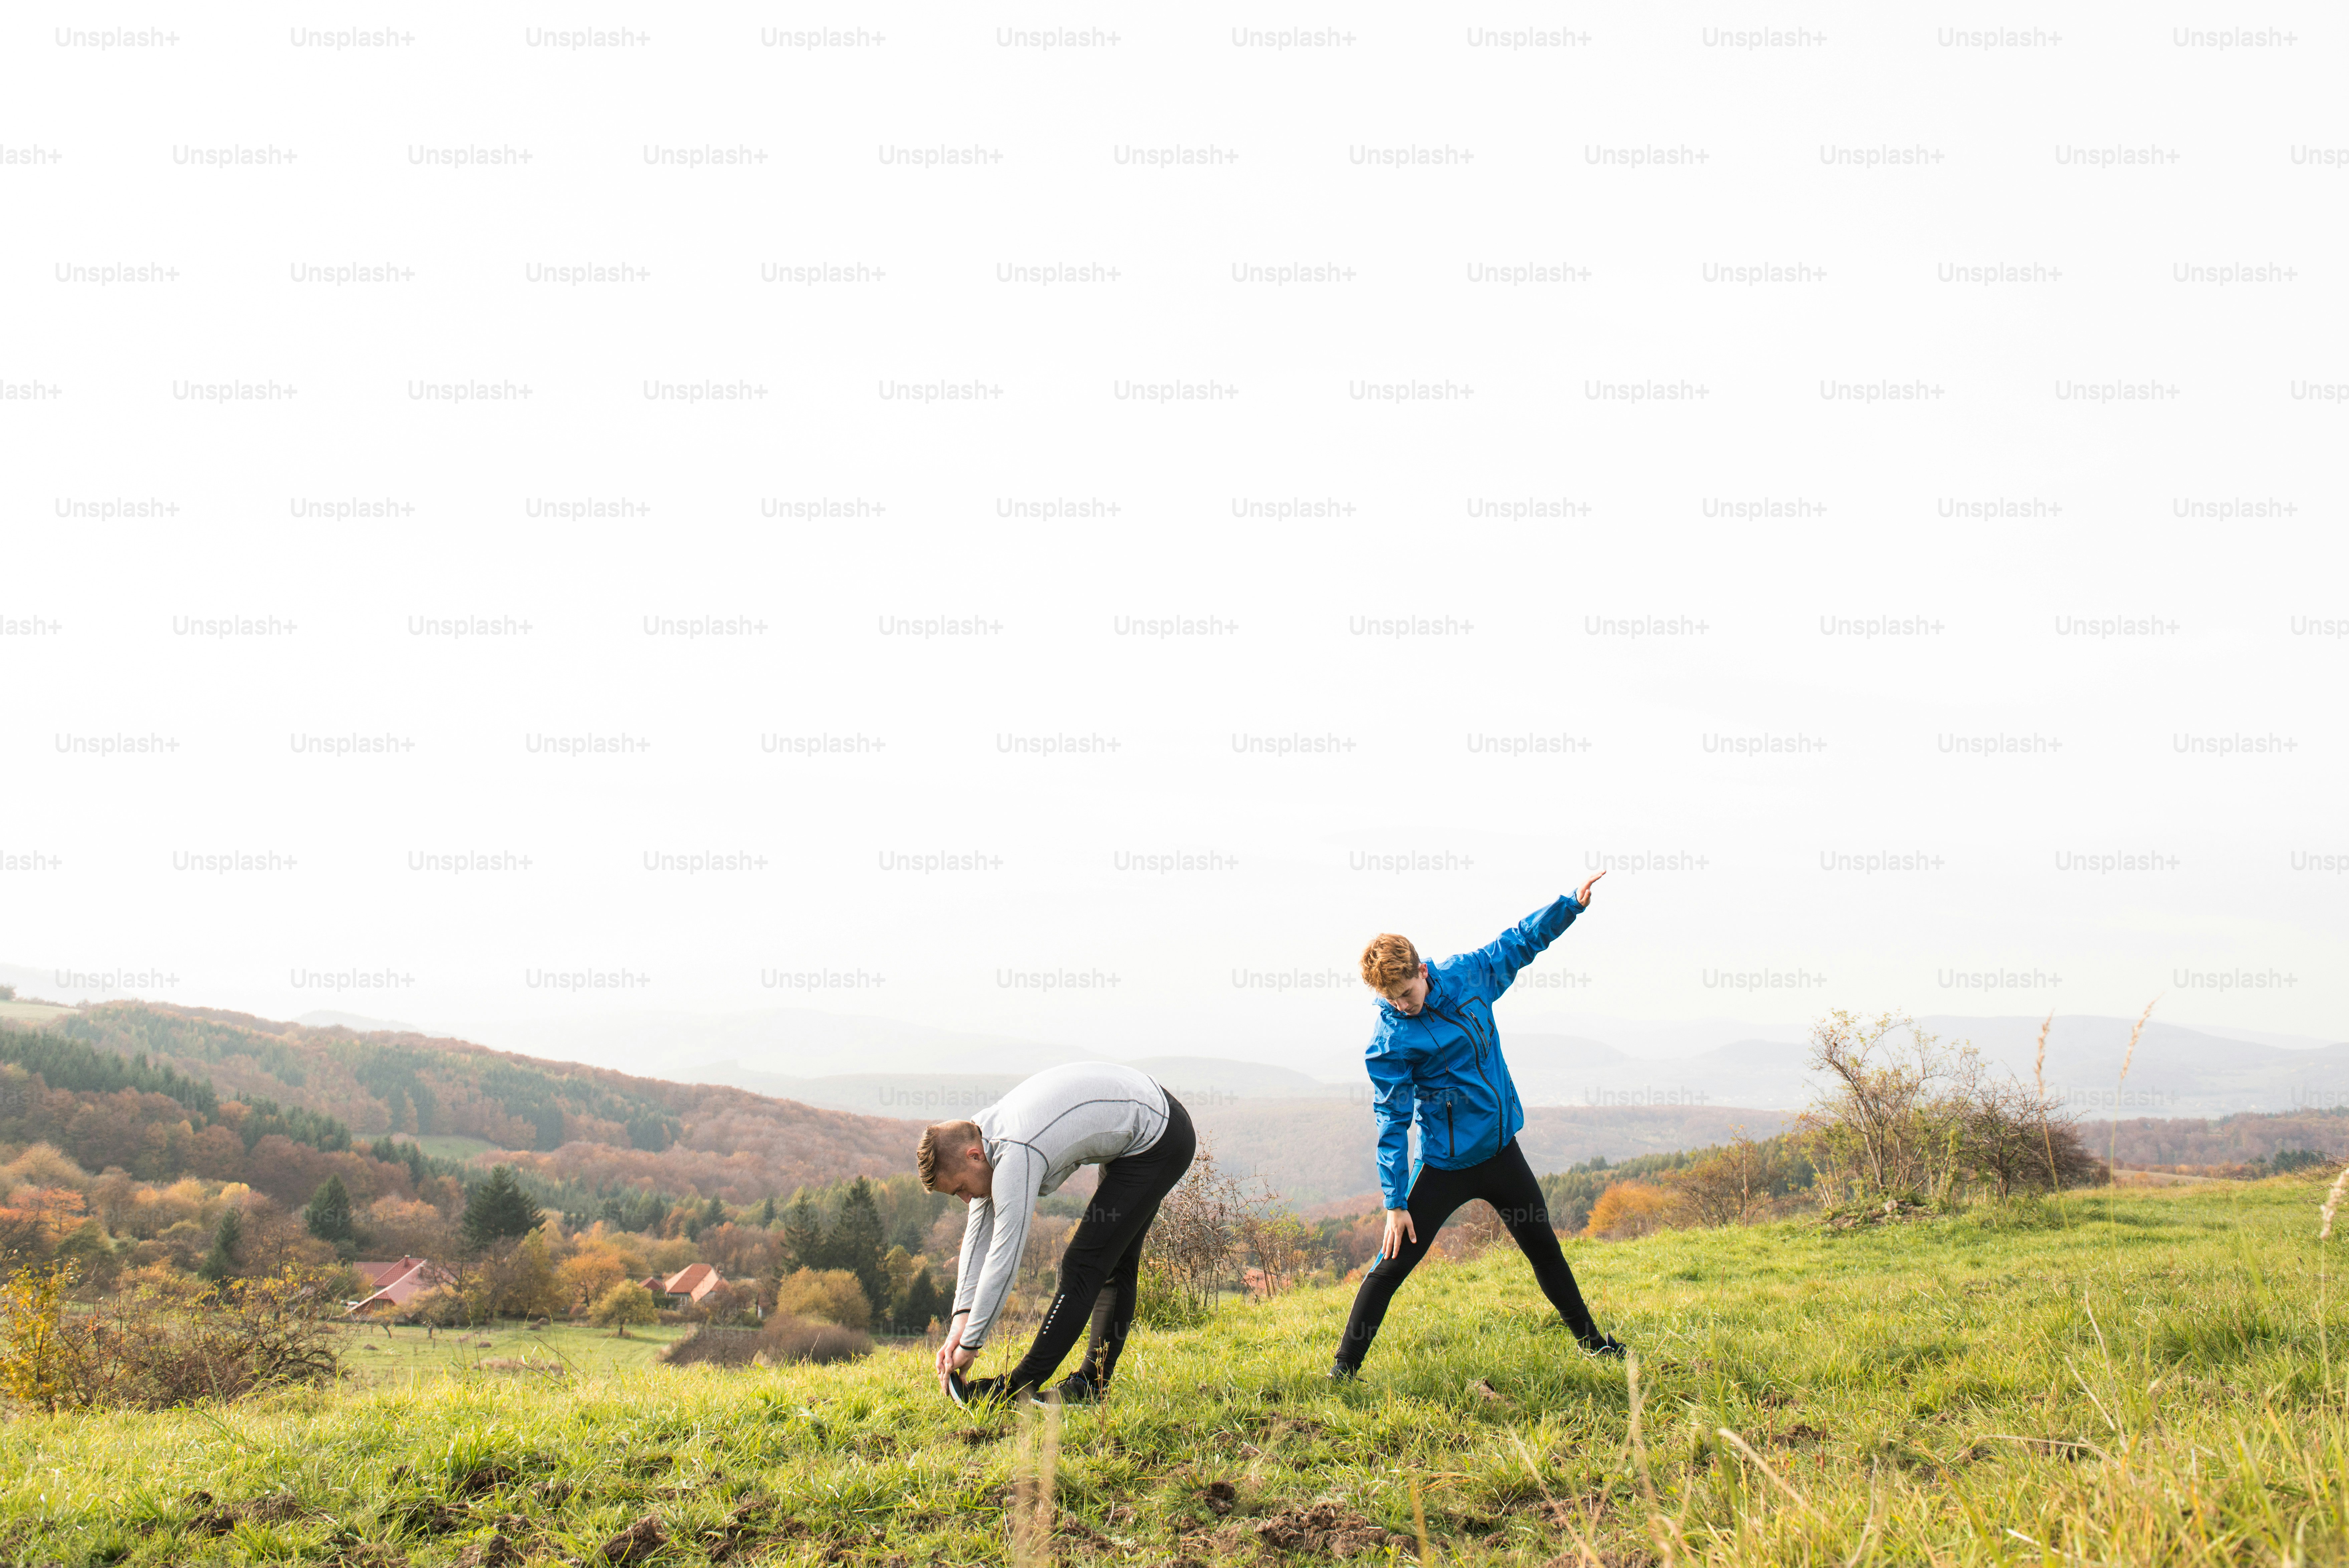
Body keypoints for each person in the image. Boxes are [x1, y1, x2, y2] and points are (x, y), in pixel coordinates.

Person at [1331, 876, 1626, 1379]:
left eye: (1406, 993)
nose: (1403, 1005)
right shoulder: (1389, 1039)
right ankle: (1343, 1371)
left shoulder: (1469, 976)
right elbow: (1392, 1119)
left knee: (1543, 1247)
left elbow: (1517, 943)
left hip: (1500, 1150)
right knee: (1392, 1263)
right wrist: (1395, 1202)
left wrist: (1567, 907)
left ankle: (1594, 1345)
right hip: (1445, 1165)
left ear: (1422, 971)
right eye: (1391, 999)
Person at [919, 1060, 1196, 1404]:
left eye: (961, 1187)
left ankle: (1016, 1389)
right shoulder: (980, 1136)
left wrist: (972, 1344)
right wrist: (959, 1324)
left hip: (1161, 1140)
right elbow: (977, 1242)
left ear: (973, 1156)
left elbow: (1003, 1260)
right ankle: (1091, 1386)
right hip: (1144, 1122)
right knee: (1113, 1260)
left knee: (1084, 1264)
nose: (966, 1199)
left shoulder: (1015, 1150)